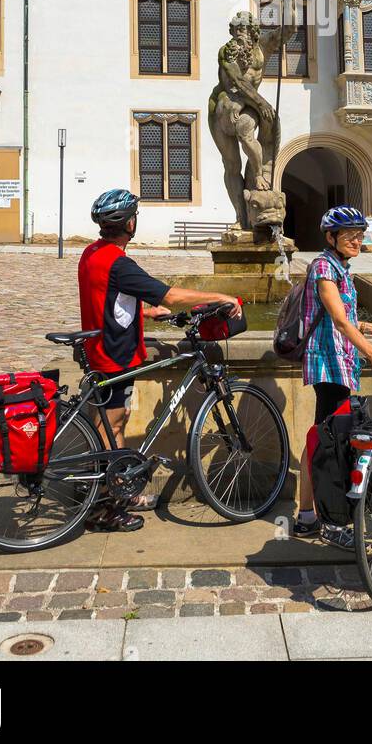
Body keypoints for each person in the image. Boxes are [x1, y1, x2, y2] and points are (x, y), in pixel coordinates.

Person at [78, 188, 242, 528]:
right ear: (130, 224)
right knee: (112, 427)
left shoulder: (91, 253)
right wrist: (221, 295)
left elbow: (107, 297)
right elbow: (172, 294)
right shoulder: (119, 264)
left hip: (100, 347)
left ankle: (121, 493)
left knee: (111, 424)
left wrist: (145, 311)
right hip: (114, 354)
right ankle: (104, 510)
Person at [294, 205, 372, 545]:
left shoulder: (341, 267)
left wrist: (369, 326)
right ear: (330, 237)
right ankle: (332, 523)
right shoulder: (324, 267)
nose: (357, 239)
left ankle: (306, 516)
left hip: (340, 364)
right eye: (350, 234)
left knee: (320, 438)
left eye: (360, 233)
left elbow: (343, 318)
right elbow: (338, 322)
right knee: (330, 444)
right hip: (329, 367)